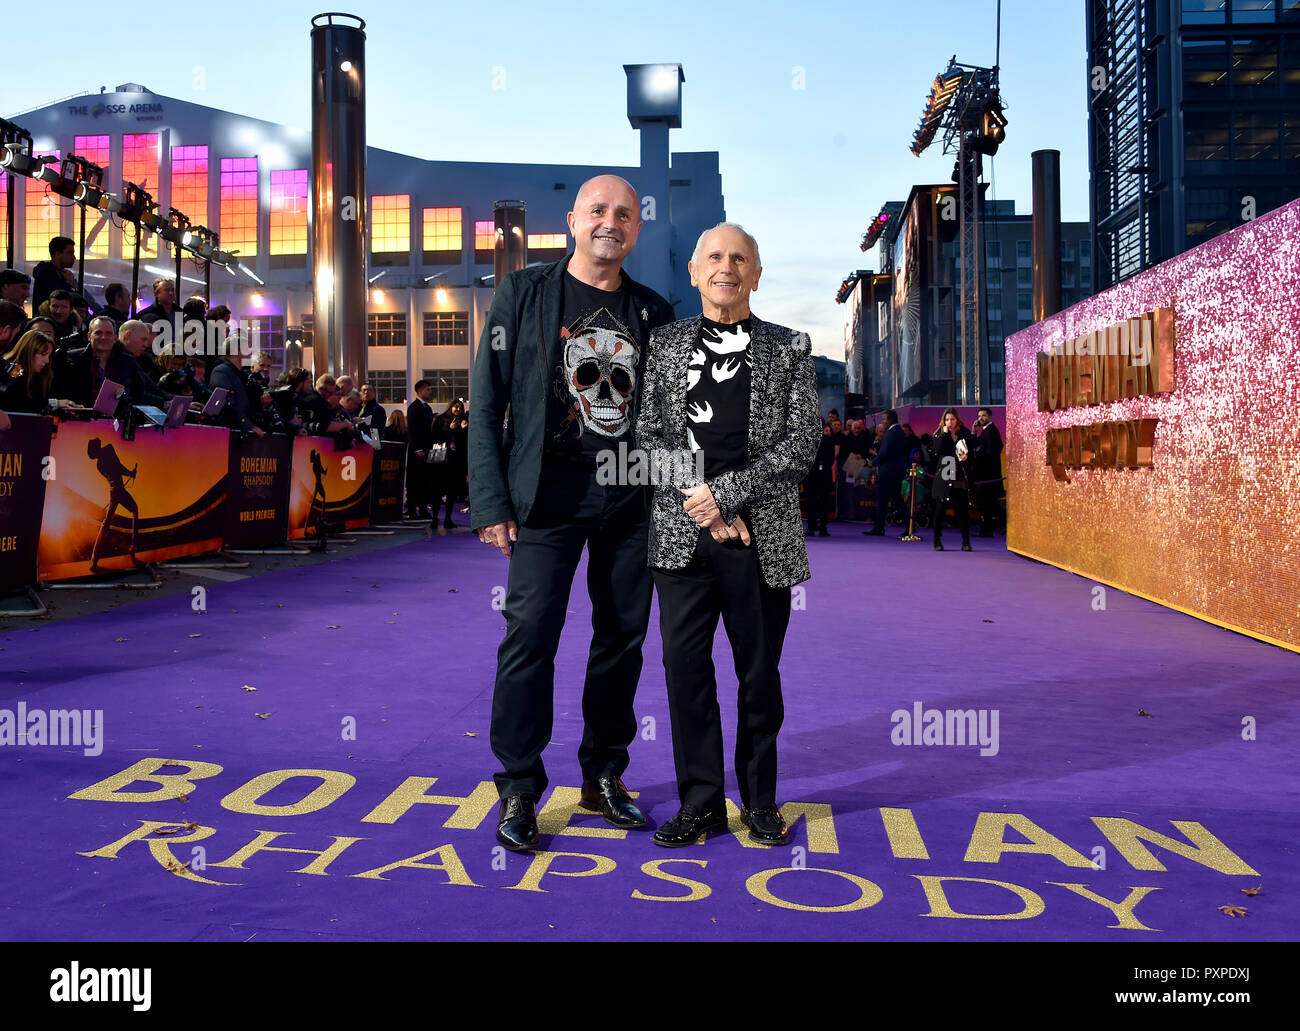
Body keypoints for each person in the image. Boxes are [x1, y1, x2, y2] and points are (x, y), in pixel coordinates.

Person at [469, 174, 675, 852]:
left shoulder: (654, 312)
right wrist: (491, 501)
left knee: (622, 638)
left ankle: (603, 775)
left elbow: (671, 418)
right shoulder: (523, 293)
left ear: (636, 227)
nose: (610, 222)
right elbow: (487, 398)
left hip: (630, 497)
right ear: (573, 221)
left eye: (624, 213)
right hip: (546, 494)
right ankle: (519, 787)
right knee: (530, 635)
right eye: (598, 210)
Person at [638, 222, 819, 848]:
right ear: (694, 272)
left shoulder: (790, 347)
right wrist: (708, 506)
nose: (727, 267)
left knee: (758, 677)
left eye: (740, 258)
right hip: (681, 540)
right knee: (685, 674)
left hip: (761, 542)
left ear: (757, 275)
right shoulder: (664, 345)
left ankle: (760, 801)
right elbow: (647, 439)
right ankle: (701, 804)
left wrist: (729, 494)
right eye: (714, 256)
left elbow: (801, 445)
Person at [0, 328, 77, 414]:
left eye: (48, 356)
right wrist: (55, 403)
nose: (47, 361)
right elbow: (16, 402)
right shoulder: (13, 370)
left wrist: (71, 406)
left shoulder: (44, 374)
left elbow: (62, 396)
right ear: (29, 351)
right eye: (43, 354)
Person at [931, 407, 976, 551]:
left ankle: (966, 542)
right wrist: (945, 434)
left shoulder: (964, 433)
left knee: (963, 511)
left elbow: (971, 452)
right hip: (945, 472)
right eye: (947, 419)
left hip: (959, 474)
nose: (949, 422)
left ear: (957, 420)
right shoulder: (939, 433)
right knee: (940, 510)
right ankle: (937, 541)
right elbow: (937, 451)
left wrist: (966, 457)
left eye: (952, 419)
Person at [863, 409, 908, 535]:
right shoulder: (898, 432)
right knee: (893, 500)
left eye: (884, 419)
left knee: (887, 500)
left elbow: (884, 453)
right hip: (894, 471)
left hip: (888, 472)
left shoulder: (892, 433)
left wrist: (872, 462)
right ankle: (882, 527)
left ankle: (881, 527)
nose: (883, 422)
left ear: (891, 419)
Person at [972, 407, 1004, 537]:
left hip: (988, 474)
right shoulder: (987, 430)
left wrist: (980, 454)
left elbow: (991, 451)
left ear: (990, 417)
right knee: (988, 502)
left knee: (986, 502)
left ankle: (987, 529)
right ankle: (991, 527)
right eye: (979, 416)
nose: (981, 418)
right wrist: (974, 432)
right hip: (988, 473)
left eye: (984, 415)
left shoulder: (991, 431)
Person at [406, 379, 435, 519]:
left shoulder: (427, 408)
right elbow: (412, 429)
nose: (430, 392)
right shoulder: (414, 407)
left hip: (426, 448)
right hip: (416, 450)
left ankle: (423, 510)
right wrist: (417, 449)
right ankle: (412, 511)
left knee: (425, 481)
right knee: (414, 482)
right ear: (420, 391)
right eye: (428, 389)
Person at [803, 422, 835, 536]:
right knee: (812, 502)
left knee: (822, 501)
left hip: (822, 474)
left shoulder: (828, 440)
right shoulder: (808, 440)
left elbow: (831, 458)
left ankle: (821, 528)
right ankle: (813, 527)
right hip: (813, 475)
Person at [31, 237, 78, 313]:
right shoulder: (46, 274)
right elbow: (63, 297)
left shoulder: (61, 274)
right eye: (70, 253)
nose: (74, 257)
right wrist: (69, 284)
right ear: (58, 254)